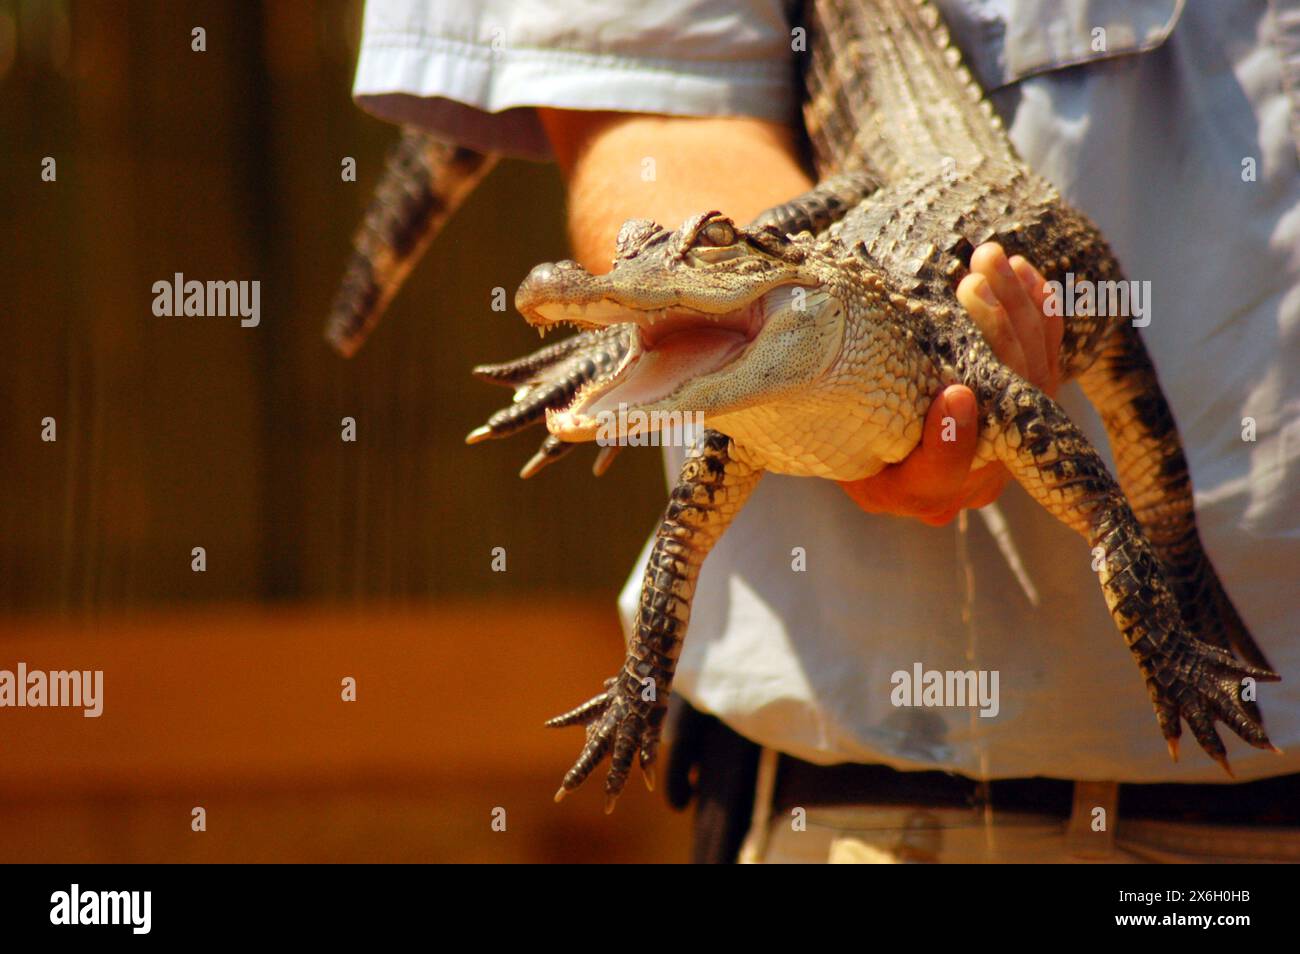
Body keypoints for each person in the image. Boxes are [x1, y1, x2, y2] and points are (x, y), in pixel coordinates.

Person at [353, 0, 1300, 862]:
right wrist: (638, 687)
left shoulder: (872, 313)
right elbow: (648, 102)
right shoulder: (758, 410)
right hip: (868, 809)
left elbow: (1106, 505)